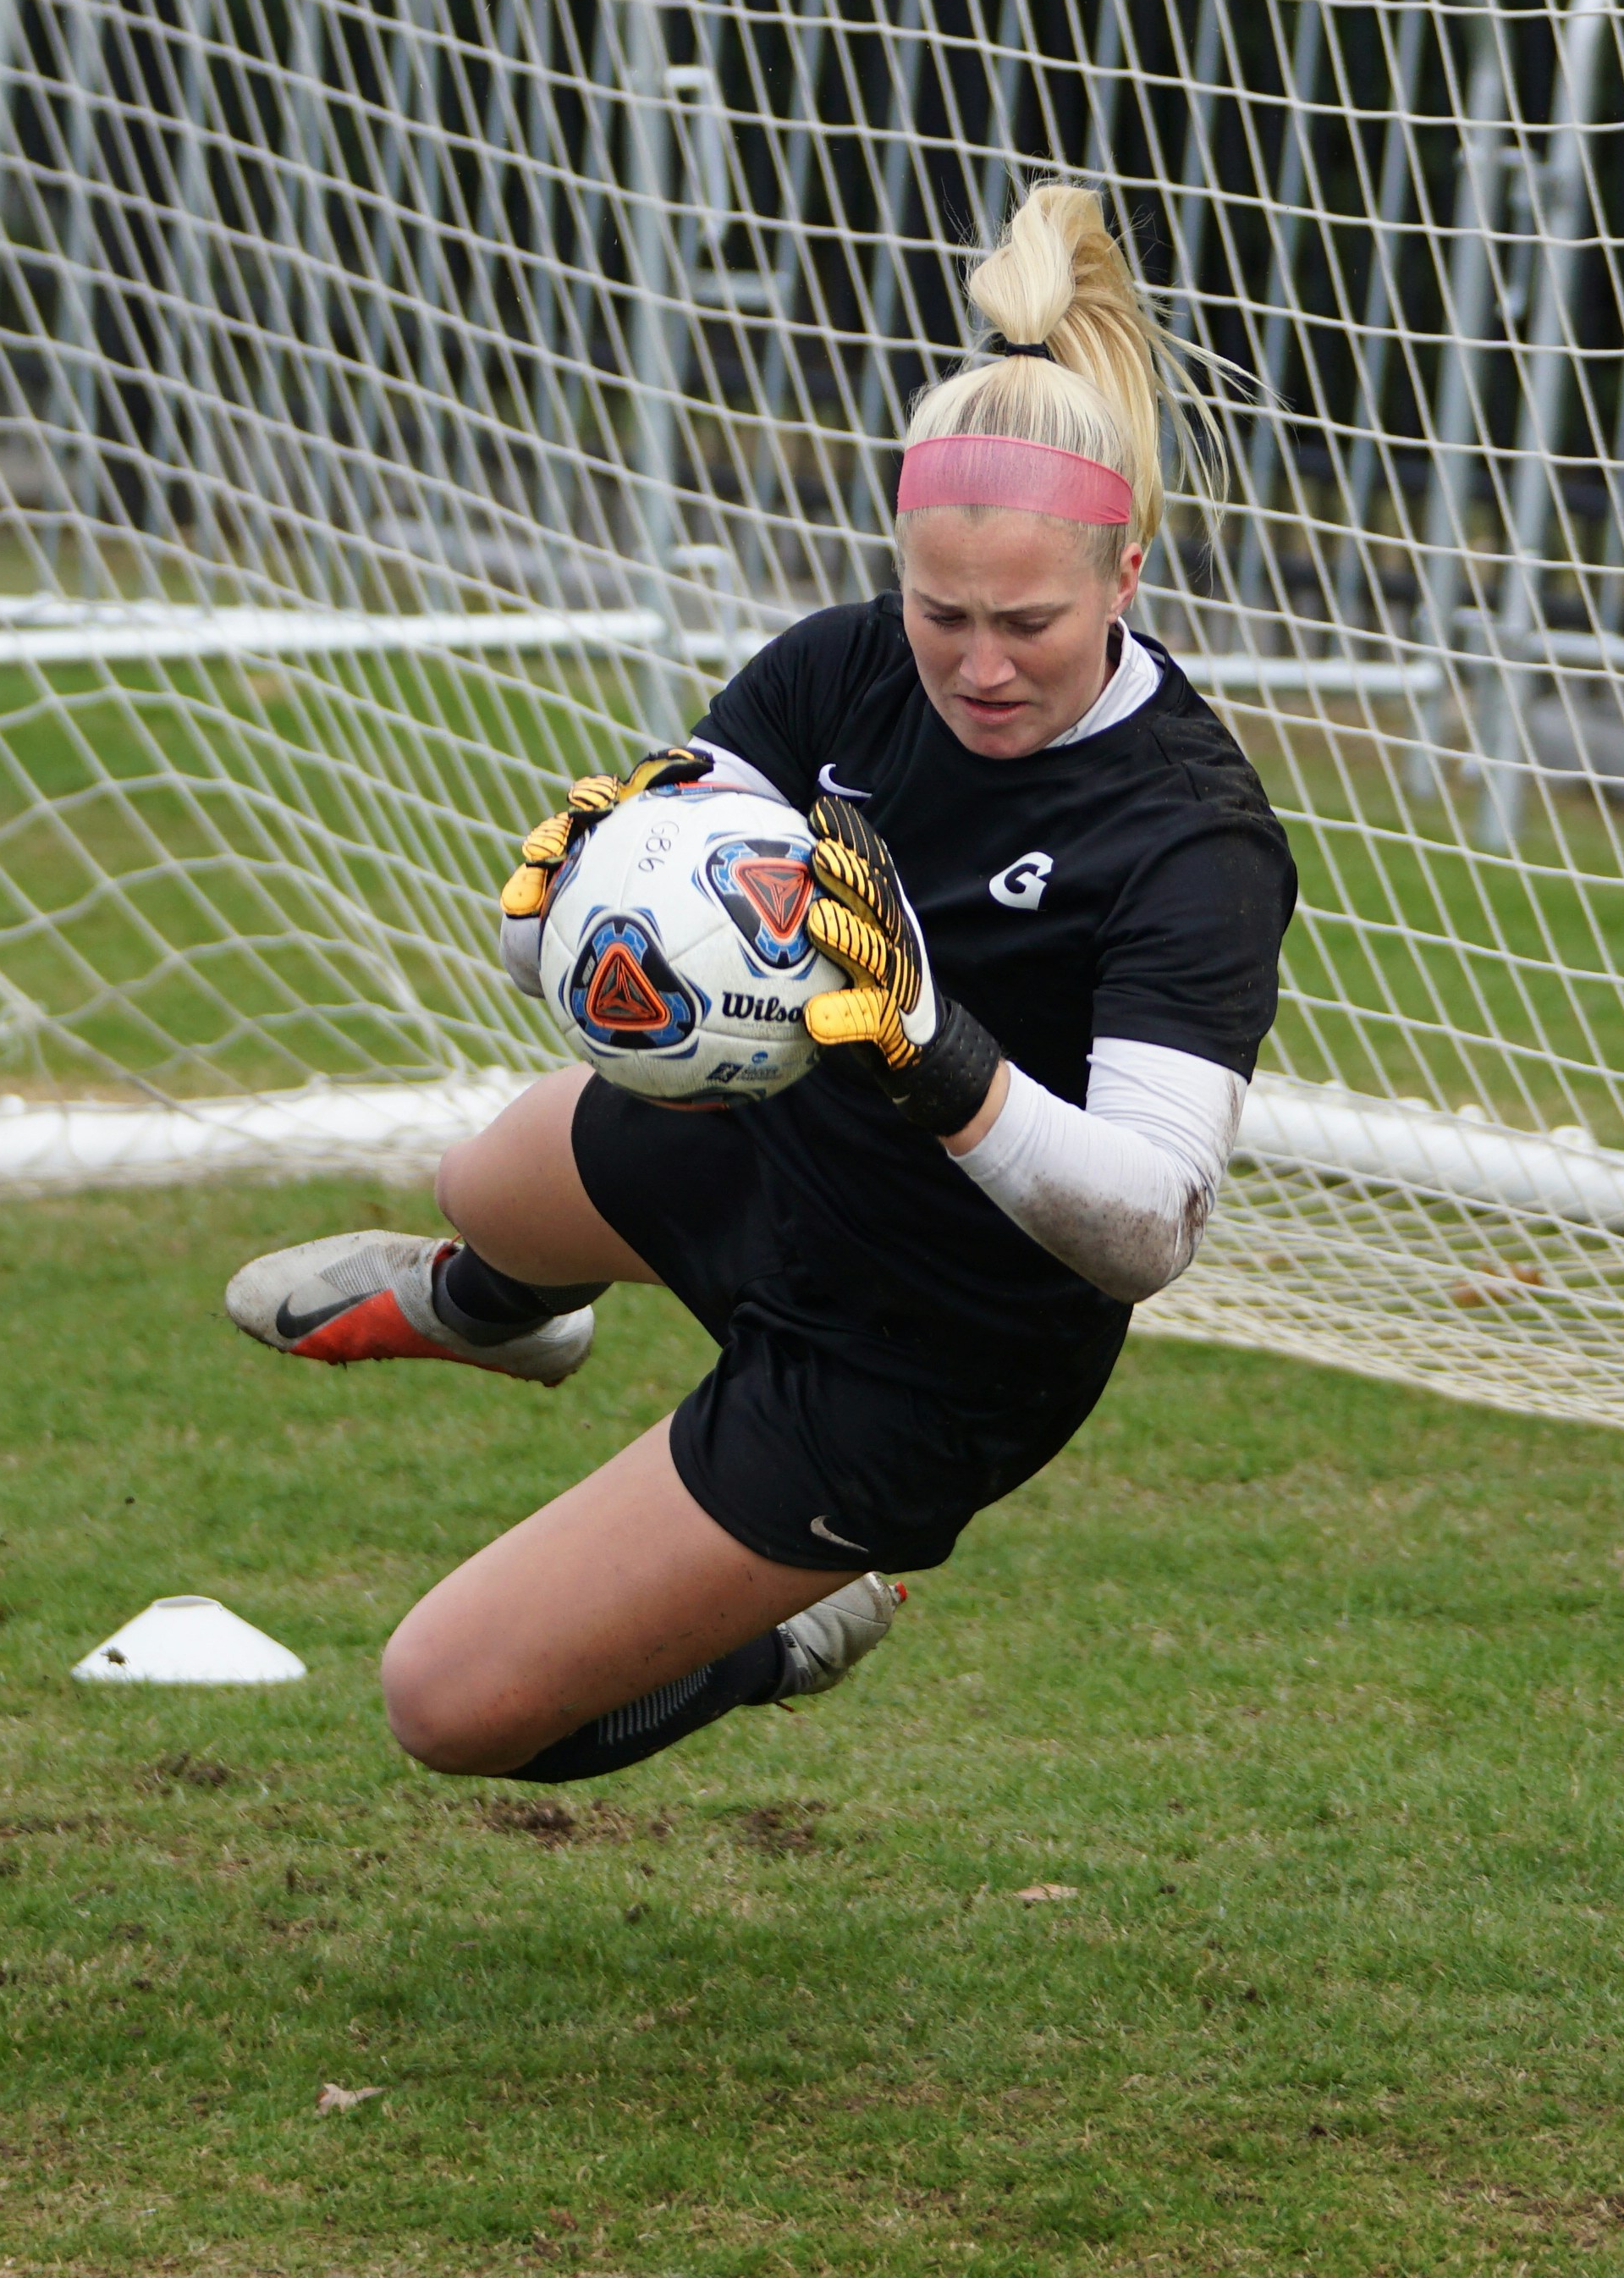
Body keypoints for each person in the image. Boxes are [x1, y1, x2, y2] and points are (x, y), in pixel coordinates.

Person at [210, 185, 1299, 1785]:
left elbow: (1150, 1225)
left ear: (1128, 573)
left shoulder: (1190, 840)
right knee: (482, 1183)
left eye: (1030, 624)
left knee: (447, 1707)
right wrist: (550, 910)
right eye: (944, 614)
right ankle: (494, 1313)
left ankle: (793, 1621)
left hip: (931, 1344)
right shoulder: (849, 664)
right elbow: (635, 913)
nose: (979, 665)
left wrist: (949, 1068)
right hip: (777, 1142)